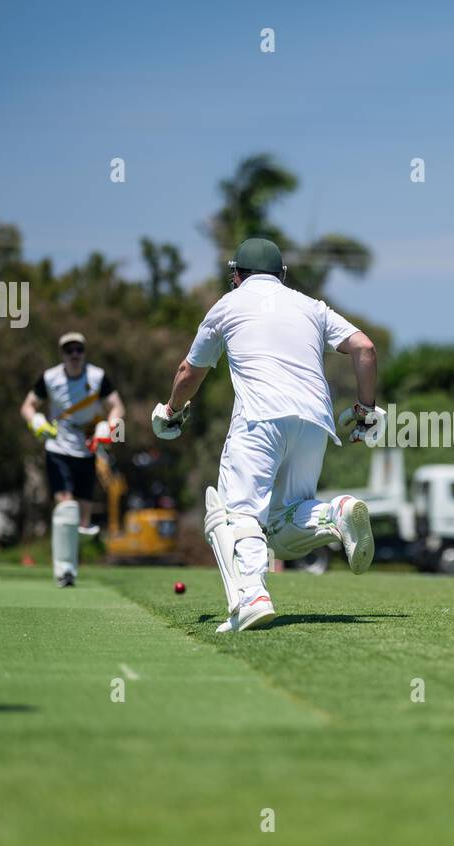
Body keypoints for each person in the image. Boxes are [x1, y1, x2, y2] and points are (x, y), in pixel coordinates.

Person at [153, 238, 380, 633]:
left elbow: (189, 372)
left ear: (236, 275)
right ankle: (336, 512)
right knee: (282, 522)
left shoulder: (228, 304)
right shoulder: (311, 306)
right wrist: (364, 410)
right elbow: (365, 348)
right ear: (283, 275)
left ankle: (253, 597)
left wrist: (171, 411)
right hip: (314, 422)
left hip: (260, 419)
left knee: (234, 512)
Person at [20, 332, 125, 587]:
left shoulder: (97, 377)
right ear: (63, 355)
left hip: (87, 450)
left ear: (84, 352)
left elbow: (117, 407)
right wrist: (36, 421)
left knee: (82, 520)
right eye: (69, 351)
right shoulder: (50, 377)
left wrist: (109, 427)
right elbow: (27, 406)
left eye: (79, 350)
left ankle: (71, 564)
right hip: (58, 449)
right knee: (66, 506)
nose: (75, 355)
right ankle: (63, 571)